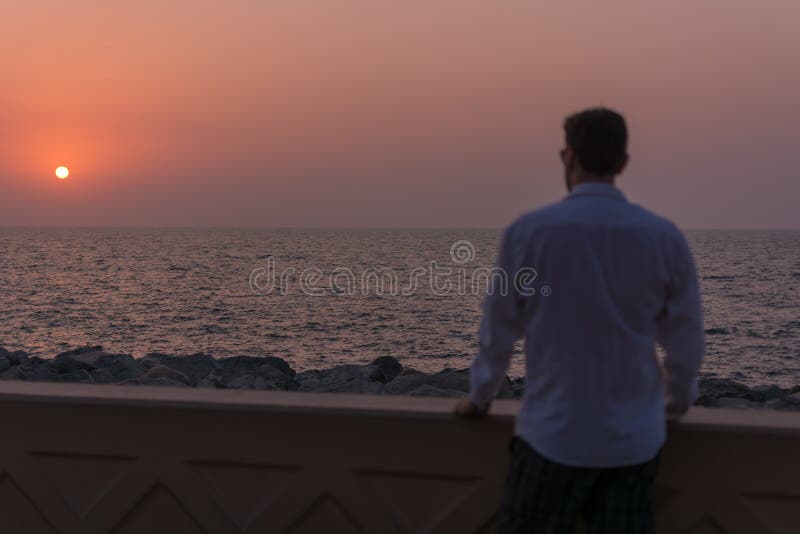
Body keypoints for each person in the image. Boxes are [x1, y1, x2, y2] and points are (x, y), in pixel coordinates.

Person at [455, 107, 704, 533]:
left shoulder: (528, 233)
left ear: (568, 155)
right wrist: (676, 403)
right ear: (623, 163)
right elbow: (686, 342)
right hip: (632, 445)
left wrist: (480, 397)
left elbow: (498, 331)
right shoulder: (664, 237)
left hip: (551, 437)